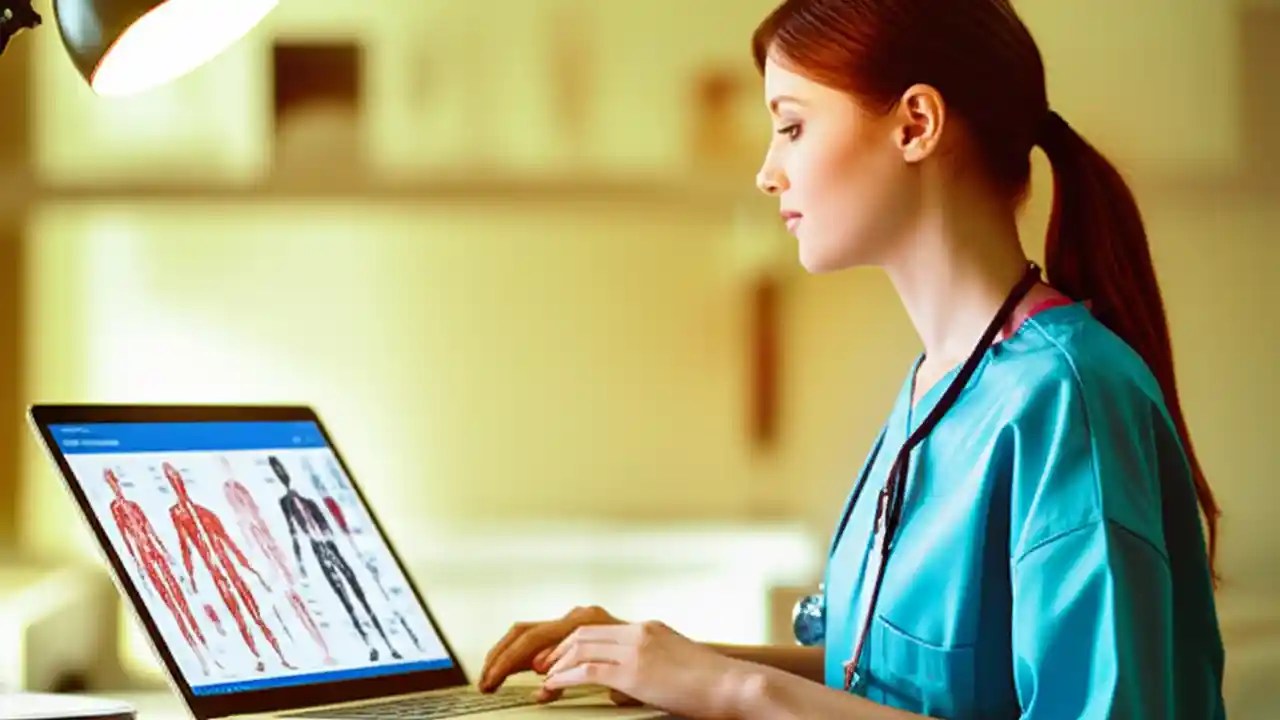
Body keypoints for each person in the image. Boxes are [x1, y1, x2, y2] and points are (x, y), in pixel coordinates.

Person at [477, 0, 1226, 717]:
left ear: (916, 124)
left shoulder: (1068, 397)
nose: (768, 171)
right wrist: (658, 661)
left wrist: (738, 692)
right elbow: (876, 685)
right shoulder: (942, 385)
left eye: (792, 127)